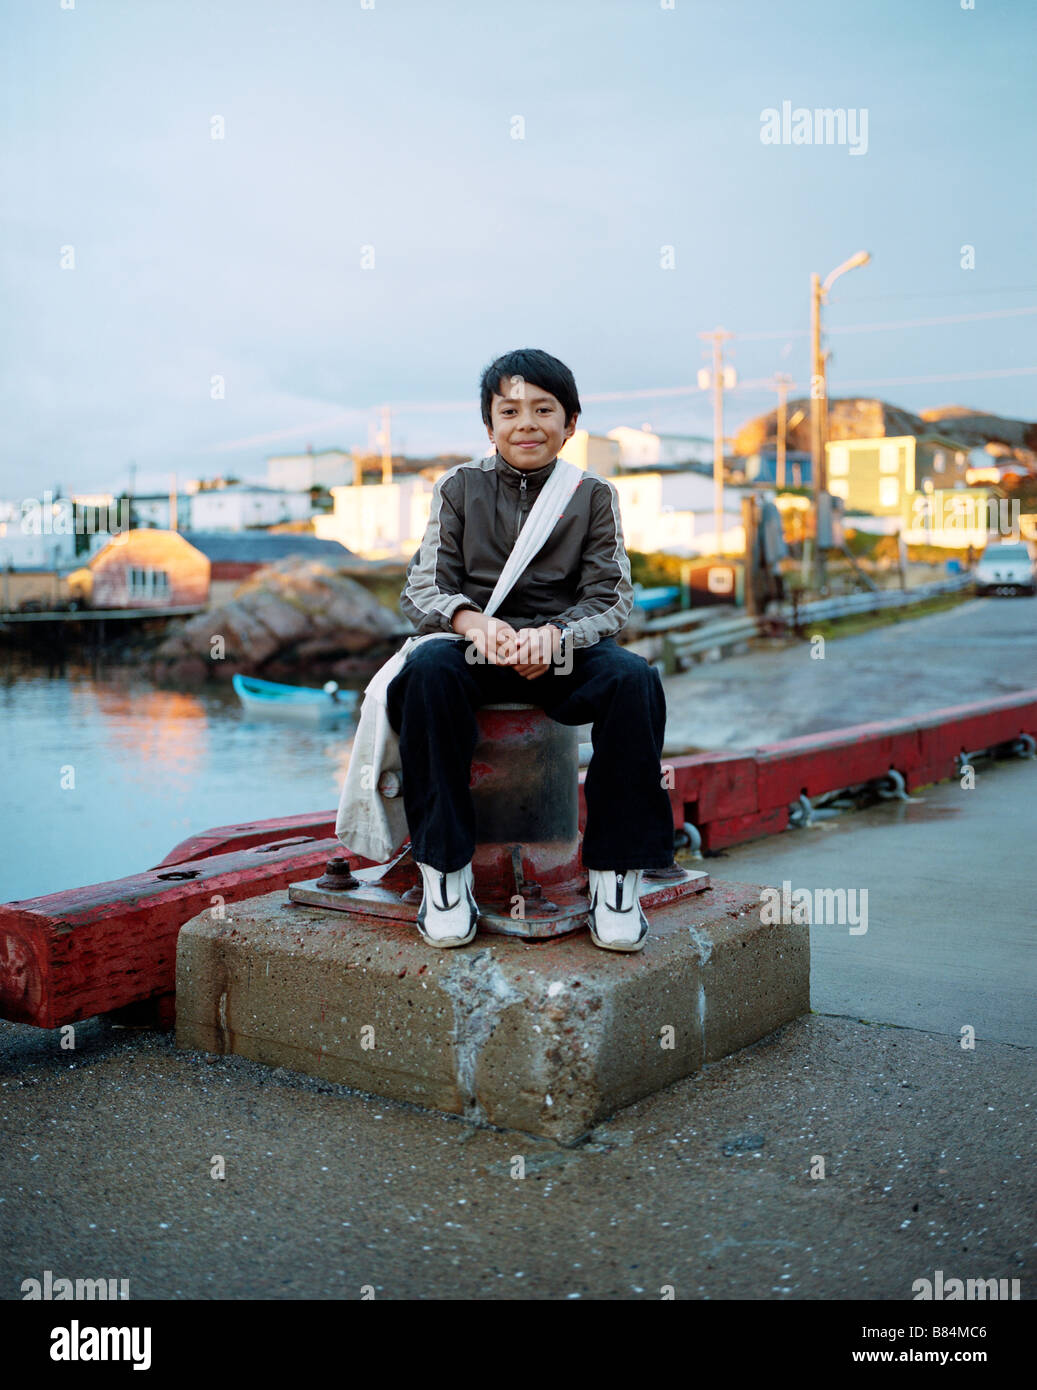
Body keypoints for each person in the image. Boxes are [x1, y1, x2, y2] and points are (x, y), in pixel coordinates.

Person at [386, 348, 675, 953]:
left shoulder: (592, 494)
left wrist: (557, 636)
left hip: (560, 649)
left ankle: (615, 877)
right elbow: (422, 585)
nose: (526, 423)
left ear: (570, 423)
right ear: (488, 425)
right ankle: (444, 873)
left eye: (544, 409)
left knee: (634, 680)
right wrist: (470, 622)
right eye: (509, 410)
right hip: (475, 647)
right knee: (427, 671)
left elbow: (612, 594)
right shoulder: (457, 488)